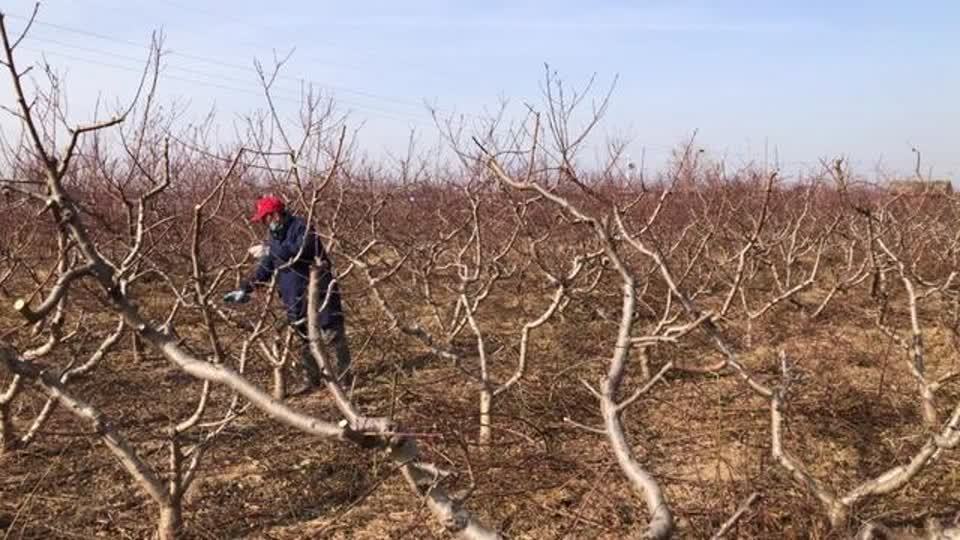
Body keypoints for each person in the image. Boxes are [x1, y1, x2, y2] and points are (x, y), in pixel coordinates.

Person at [222, 195, 351, 392]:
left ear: (275, 214)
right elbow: (266, 268)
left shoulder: (301, 226)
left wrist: (271, 250)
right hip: (294, 295)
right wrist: (245, 287)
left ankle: (344, 379)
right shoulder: (274, 236)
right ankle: (311, 380)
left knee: (333, 334)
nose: (265, 222)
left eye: (266, 217)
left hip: (318, 292)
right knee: (304, 337)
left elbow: (304, 248)